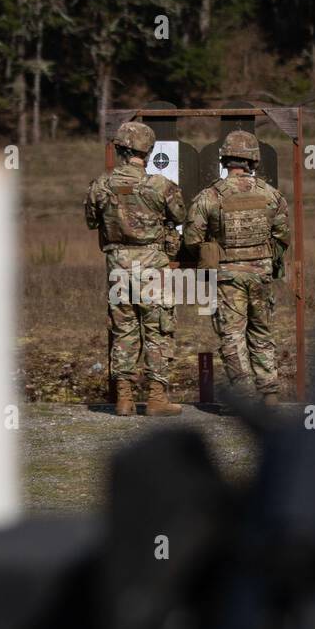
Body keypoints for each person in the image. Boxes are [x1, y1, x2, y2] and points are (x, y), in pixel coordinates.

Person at [84, 121, 186, 416]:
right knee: (158, 329)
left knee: (124, 330)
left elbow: (92, 222)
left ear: (120, 149)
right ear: (149, 151)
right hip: (153, 263)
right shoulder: (160, 186)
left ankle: (124, 399)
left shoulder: (101, 185)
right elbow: (178, 215)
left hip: (117, 264)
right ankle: (156, 398)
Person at [183, 130, 290, 405]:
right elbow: (282, 235)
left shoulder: (209, 196)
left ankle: (244, 397)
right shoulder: (271, 194)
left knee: (232, 336)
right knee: (261, 331)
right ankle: (269, 393)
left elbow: (192, 238)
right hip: (261, 274)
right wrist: (265, 260)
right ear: (253, 161)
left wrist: (214, 251)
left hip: (227, 276)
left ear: (225, 160)